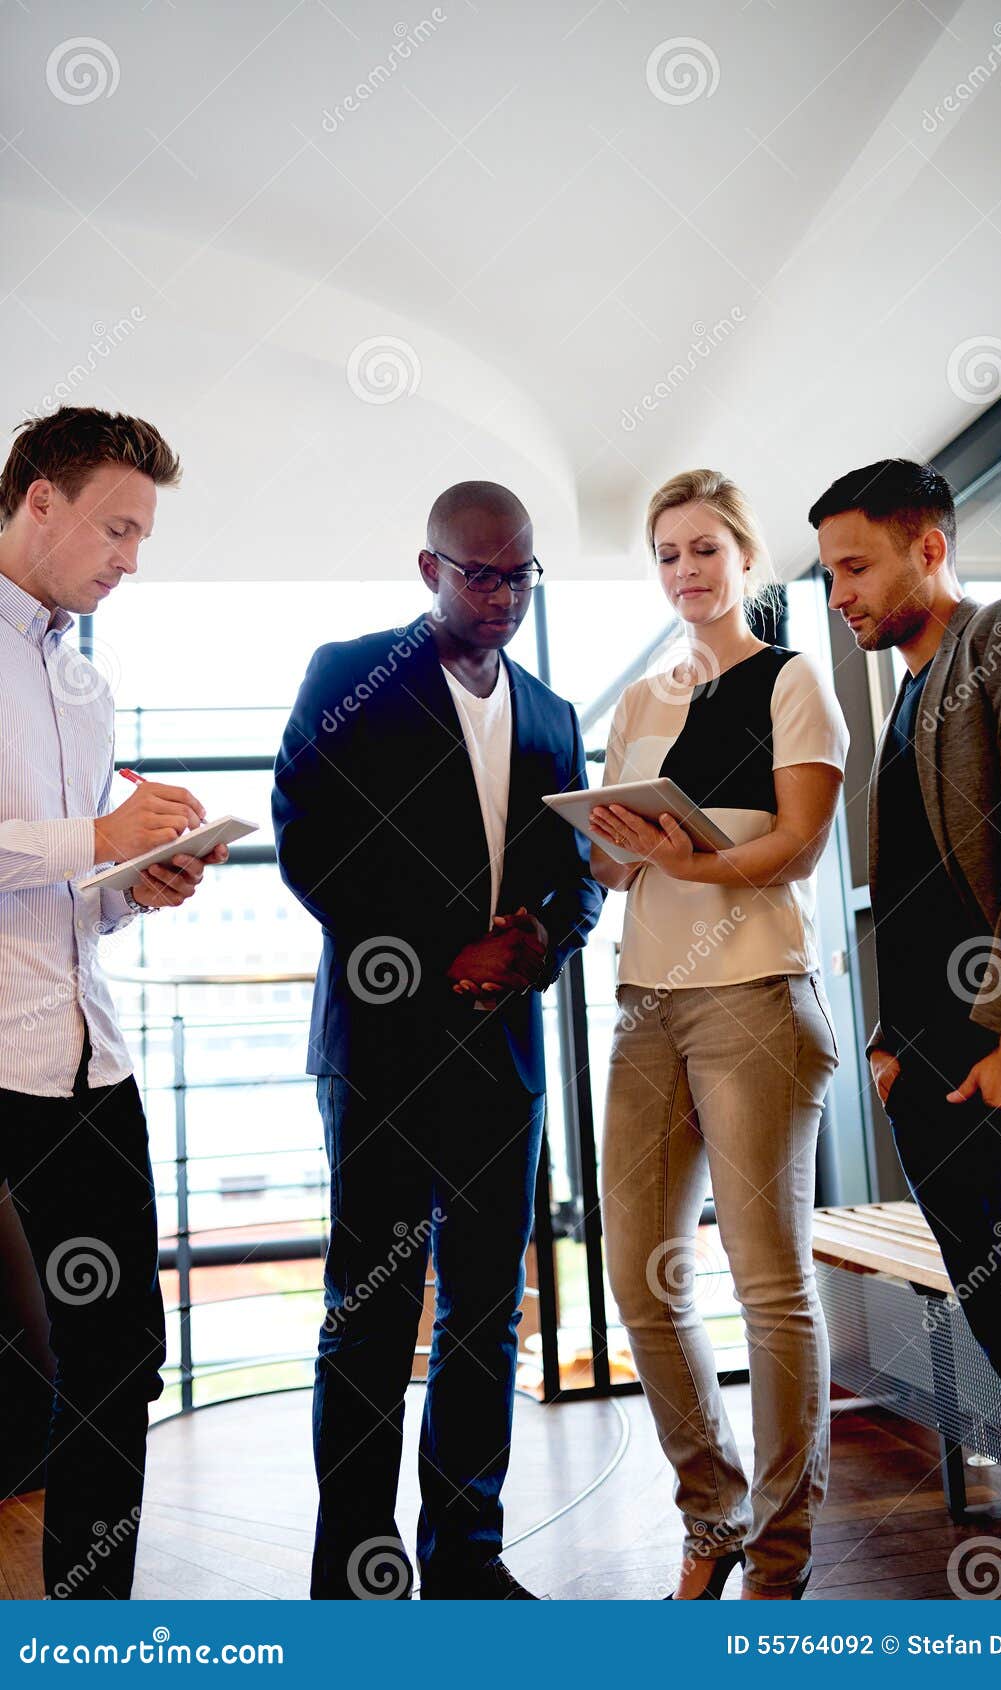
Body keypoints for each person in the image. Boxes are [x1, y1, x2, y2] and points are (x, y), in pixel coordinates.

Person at [272, 480, 605, 1600]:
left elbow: (579, 883)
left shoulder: (555, 717)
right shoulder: (348, 676)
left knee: (485, 1313)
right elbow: (306, 841)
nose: (503, 593)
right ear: (430, 571)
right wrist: (437, 952)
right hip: (380, 1046)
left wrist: (537, 949)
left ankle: (467, 1557)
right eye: (481, 573)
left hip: (502, 1057)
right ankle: (359, 1573)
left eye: (520, 573)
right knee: (367, 1312)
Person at [810, 457, 1001, 1599]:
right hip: (926, 1074)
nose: (839, 596)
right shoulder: (906, 693)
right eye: (827, 574)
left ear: (929, 547)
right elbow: (904, 892)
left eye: (856, 566)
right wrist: (886, 1040)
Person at [592, 469, 848, 1601]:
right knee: (640, 1278)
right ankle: (715, 1510)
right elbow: (607, 864)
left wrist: (691, 858)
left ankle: (781, 1553)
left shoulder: (796, 684)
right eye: (666, 554)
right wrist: (613, 839)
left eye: (704, 549)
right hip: (647, 999)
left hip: (754, 997)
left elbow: (797, 843)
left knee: (768, 1285)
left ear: (745, 558)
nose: (685, 571)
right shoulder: (643, 701)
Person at [0, 406, 228, 1599]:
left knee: (120, 1350)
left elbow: (74, 896)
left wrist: (141, 881)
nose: (131, 558)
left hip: (84, 1059)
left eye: (142, 535)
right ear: (40, 498)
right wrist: (94, 834)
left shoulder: (84, 684)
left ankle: (96, 1632)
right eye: (117, 527)